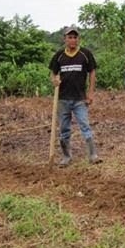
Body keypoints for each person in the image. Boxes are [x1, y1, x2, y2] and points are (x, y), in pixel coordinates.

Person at [48, 28, 100, 165]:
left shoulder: (85, 54)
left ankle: (93, 155)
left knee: (85, 125)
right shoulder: (59, 55)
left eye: (75, 37)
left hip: (80, 99)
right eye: (70, 37)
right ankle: (67, 157)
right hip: (63, 99)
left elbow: (92, 72)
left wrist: (91, 92)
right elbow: (52, 73)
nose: (73, 40)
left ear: (78, 39)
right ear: (65, 39)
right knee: (64, 128)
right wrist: (54, 80)